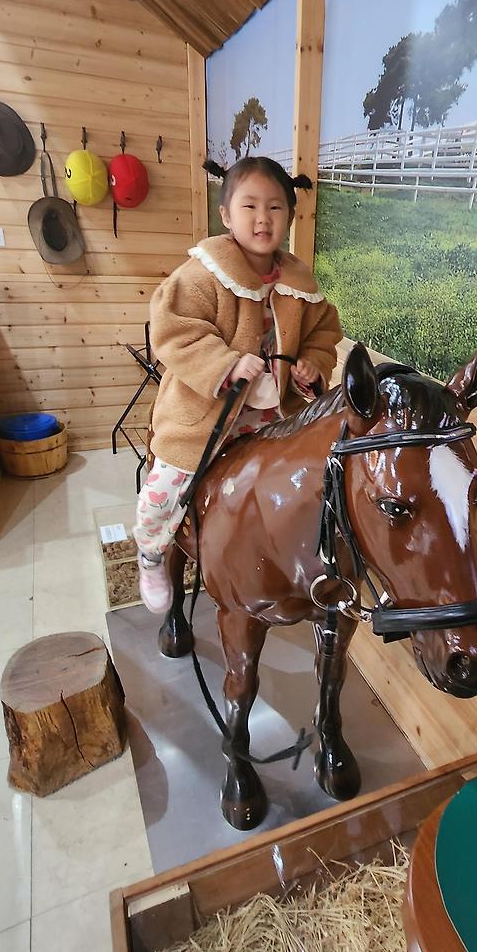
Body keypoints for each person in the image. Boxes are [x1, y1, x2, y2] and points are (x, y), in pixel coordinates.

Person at [134, 156, 343, 613]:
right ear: (227, 215)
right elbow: (173, 327)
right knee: (165, 487)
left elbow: (325, 330)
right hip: (205, 413)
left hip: (272, 413)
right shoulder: (202, 273)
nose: (262, 218)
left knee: (315, 479)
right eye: (249, 206)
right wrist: (225, 364)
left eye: (274, 207)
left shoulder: (299, 282)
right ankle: (151, 552)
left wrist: (311, 362)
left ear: (289, 216)